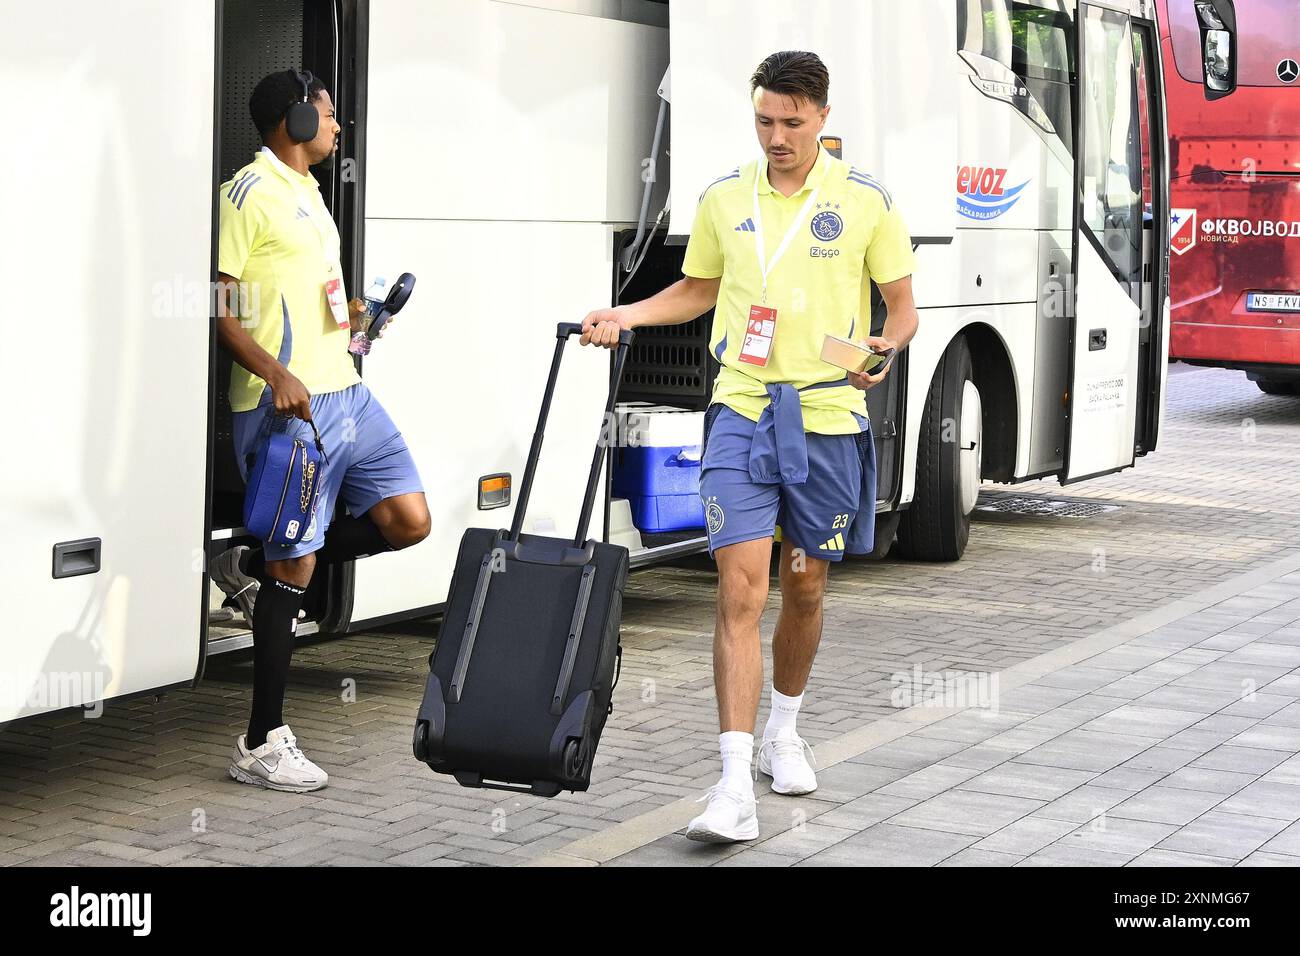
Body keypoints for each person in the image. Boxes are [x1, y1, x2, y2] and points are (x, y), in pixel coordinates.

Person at [581, 51, 919, 842]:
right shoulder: (725, 197)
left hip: (829, 417)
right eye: (764, 120)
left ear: (823, 119)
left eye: (791, 123)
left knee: (804, 588)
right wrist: (624, 315)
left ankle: (784, 730)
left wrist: (885, 346)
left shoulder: (866, 202)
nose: (776, 136)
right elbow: (698, 291)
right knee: (740, 589)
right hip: (740, 411)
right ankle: (733, 784)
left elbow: (902, 308)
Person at [209, 70, 431, 793]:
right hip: (288, 412)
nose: (339, 127)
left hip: (349, 396)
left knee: (407, 520)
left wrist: (362, 320)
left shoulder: (309, 193)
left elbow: (315, 294)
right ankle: (260, 742)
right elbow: (218, 307)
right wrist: (276, 373)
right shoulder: (245, 194)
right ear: (298, 120)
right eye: (329, 115)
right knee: (297, 567)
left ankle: (261, 565)